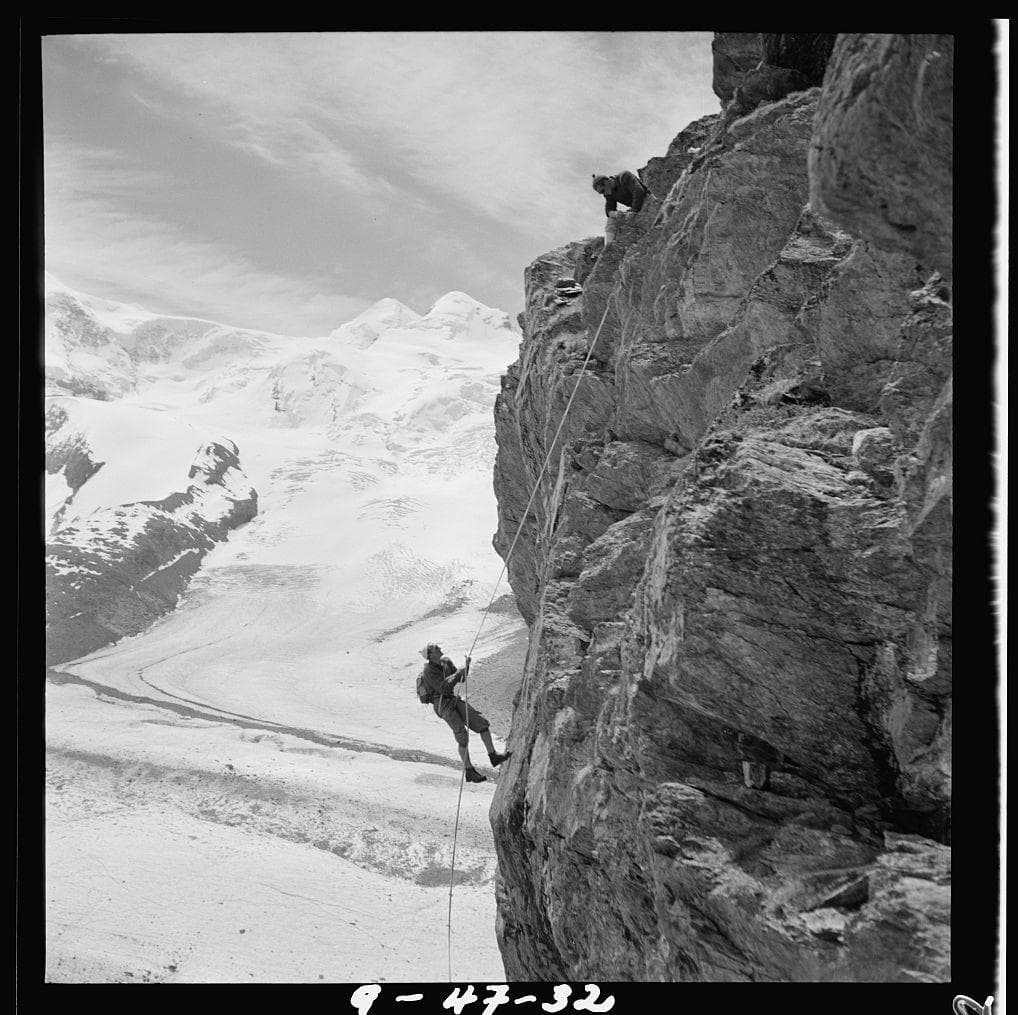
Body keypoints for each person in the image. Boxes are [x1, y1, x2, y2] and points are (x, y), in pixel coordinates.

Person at [419, 642, 510, 783]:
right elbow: (443, 688)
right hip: (443, 704)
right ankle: (469, 771)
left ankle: (493, 756)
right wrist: (458, 673)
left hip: (451, 700)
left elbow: (461, 678)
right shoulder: (428, 671)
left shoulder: (446, 662)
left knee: (481, 723)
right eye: (437, 648)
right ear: (430, 655)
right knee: (462, 736)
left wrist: (465, 667)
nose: (440, 648)